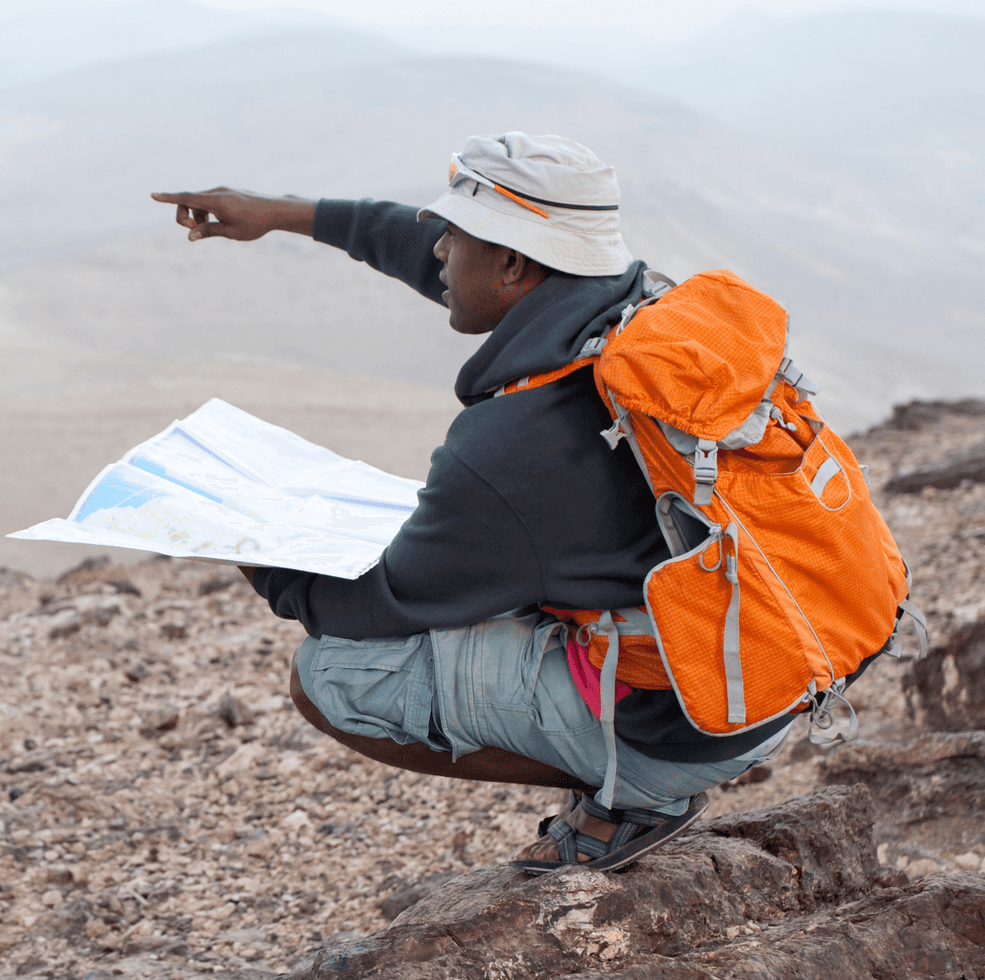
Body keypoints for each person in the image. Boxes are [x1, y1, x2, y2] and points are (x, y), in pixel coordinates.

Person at [151, 132, 793, 872]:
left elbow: (375, 607)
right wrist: (283, 213)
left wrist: (244, 546)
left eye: (453, 238)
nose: (436, 254)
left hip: (691, 728)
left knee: (333, 675)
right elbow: (435, 257)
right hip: (772, 672)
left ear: (513, 265)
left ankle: (639, 790)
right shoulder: (647, 313)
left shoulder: (515, 443)